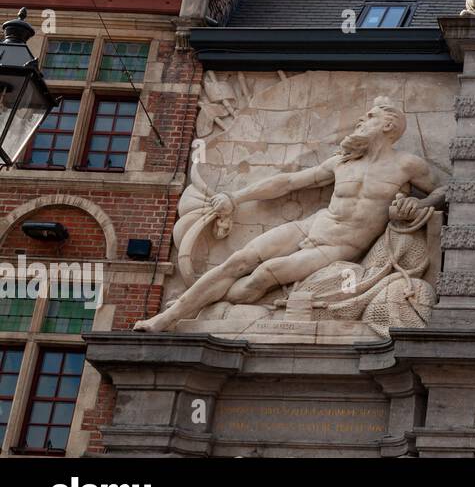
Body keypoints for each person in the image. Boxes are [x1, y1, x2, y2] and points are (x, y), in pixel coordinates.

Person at [135, 97, 444, 332]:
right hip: (311, 225)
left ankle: (206, 301)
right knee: (239, 260)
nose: (362, 119)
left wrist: (420, 204)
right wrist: (235, 197)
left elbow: (445, 192)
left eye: (371, 116)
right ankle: (169, 317)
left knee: (259, 278)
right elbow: (289, 182)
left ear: (389, 125)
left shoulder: (408, 165)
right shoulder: (344, 162)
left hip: (337, 246)